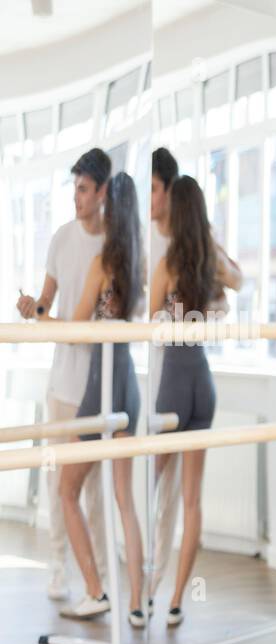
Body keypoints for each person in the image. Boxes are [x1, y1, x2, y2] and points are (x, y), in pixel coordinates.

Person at [37, 172, 146, 627]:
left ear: (108, 206)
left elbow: (75, 327)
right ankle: (137, 604)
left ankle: (95, 591)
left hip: (101, 385)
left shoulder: (104, 262)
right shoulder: (138, 265)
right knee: (124, 500)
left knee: (66, 490)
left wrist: (39, 316)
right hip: (129, 385)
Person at [146, 147, 243, 608]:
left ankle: (144, 591)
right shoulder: (208, 264)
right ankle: (175, 602)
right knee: (192, 502)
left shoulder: (168, 265)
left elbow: (149, 322)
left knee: (147, 486)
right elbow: (239, 281)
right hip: (203, 383)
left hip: (172, 381)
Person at [15, 147, 111, 604]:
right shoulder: (61, 238)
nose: (77, 196)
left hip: (98, 386)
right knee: (58, 483)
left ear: (102, 192)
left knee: (93, 488)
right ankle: (59, 568)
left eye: (84, 189)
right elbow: (46, 305)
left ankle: (100, 578)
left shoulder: (113, 246)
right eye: (74, 188)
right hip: (62, 386)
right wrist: (31, 307)